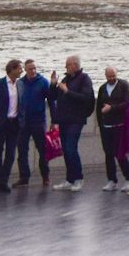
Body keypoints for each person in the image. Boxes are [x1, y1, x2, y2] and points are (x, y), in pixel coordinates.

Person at [48, 55, 95, 192]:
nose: (65, 68)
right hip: (64, 119)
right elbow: (53, 97)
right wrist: (53, 84)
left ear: (75, 65)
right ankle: (69, 179)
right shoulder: (65, 79)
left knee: (70, 147)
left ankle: (78, 178)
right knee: (66, 150)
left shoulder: (84, 79)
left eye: (67, 65)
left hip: (76, 119)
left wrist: (68, 91)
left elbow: (85, 98)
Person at [0, 58, 23, 193]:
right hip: (0, 123)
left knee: (11, 153)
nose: (21, 71)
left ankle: (3, 180)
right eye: (19, 68)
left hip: (14, 123)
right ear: (12, 69)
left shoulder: (20, 85)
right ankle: (0, 177)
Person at [16, 57, 53, 186]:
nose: (33, 71)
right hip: (23, 122)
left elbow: (51, 101)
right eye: (30, 69)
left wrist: (54, 120)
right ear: (25, 70)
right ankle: (24, 177)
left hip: (38, 121)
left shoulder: (43, 82)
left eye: (34, 68)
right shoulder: (20, 83)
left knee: (43, 150)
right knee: (22, 150)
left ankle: (45, 176)